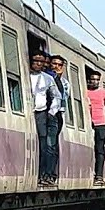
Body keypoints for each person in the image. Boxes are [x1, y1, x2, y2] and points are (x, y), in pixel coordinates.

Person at [30, 52, 61, 187]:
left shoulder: (48, 78)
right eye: (36, 60)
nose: (38, 63)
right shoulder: (25, 75)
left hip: (41, 113)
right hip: (28, 110)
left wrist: (52, 112)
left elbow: (57, 96)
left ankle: (43, 174)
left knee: (44, 144)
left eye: (41, 61)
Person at [86, 71, 105, 186]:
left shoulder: (104, 93)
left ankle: (99, 175)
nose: (95, 82)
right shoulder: (86, 92)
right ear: (89, 80)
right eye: (93, 79)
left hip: (101, 123)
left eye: (97, 79)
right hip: (89, 122)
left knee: (99, 149)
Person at [47, 55, 68, 185]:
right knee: (49, 144)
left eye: (59, 65)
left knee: (52, 144)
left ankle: (51, 172)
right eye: (54, 63)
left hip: (58, 114)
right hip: (48, 112)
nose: (56, 67)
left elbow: (63, 98)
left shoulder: (65, 83)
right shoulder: (47, 78)